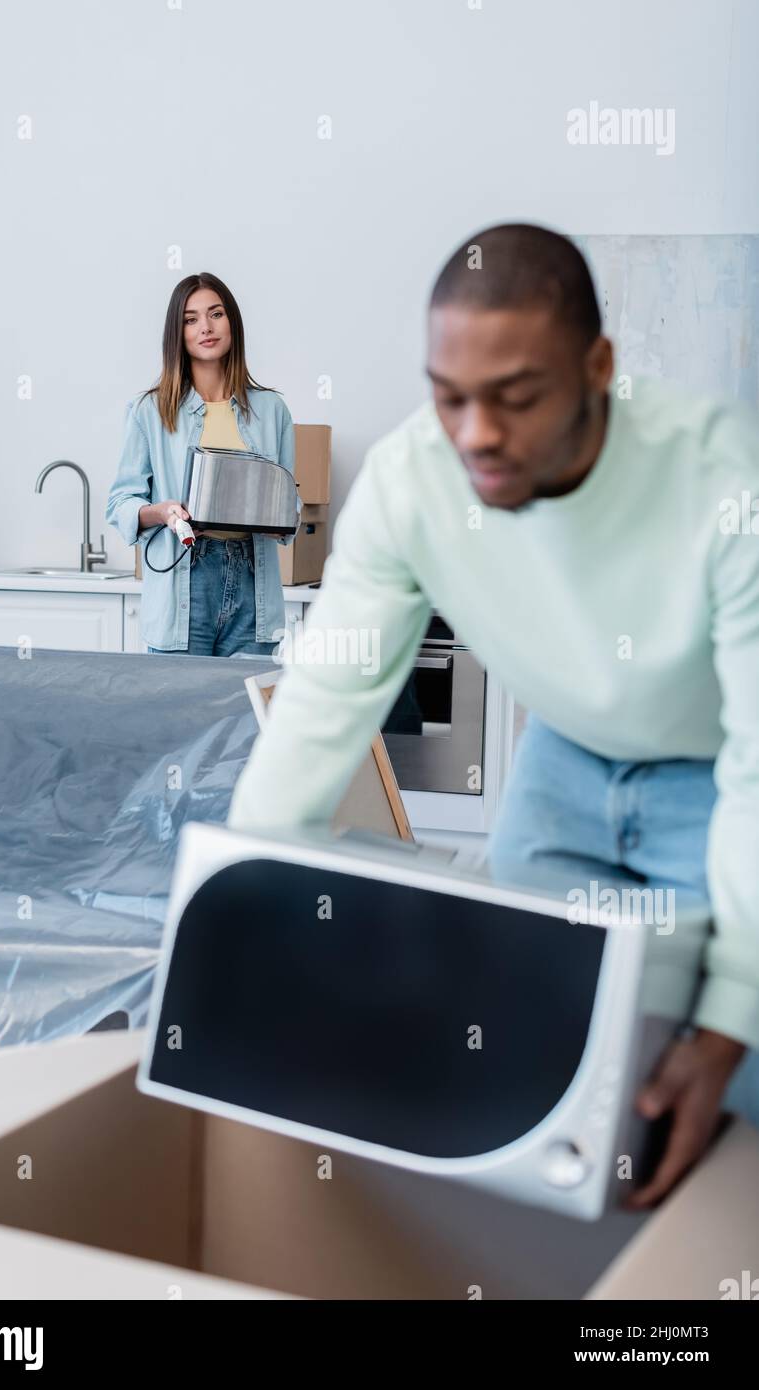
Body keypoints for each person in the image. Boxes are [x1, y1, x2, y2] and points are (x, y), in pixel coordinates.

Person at [228, 223, 759, 1207]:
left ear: (597, 367)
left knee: (716, 1096)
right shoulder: (408, 480)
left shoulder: (723, 481)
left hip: (719, 769)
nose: (475, 432)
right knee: (531, 1053)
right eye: (449, 394)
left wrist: (732, 1018)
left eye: (516, 397)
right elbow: (325, 698)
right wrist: (245, 919)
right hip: (563, 760)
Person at [107, 272, 296, 656]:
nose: (206, 328)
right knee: (177, 714)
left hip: (252, 582)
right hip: (185, 579)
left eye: (216, 314)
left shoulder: (272, 410)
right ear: (177, 333)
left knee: (248, 713)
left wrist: (281, 512)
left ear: (233, 323)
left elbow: (290, 501)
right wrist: (162, 513)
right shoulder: (150, 411)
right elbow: (120, 504)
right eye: (191, 320)